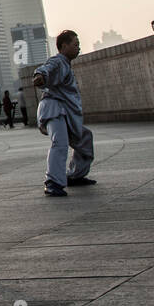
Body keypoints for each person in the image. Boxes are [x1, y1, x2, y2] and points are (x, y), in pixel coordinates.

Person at [33, 30, 95, 197]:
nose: (78, 48)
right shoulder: (58, 61)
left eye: (78, 45)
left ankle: (75, 175)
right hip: (55, 109)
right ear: (64, 46)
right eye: (75, 45)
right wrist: (40, 75)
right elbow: (47, 68)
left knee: (85, 139)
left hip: (65, 111)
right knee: (59, 143)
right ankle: (52, 182)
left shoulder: (66, 63)